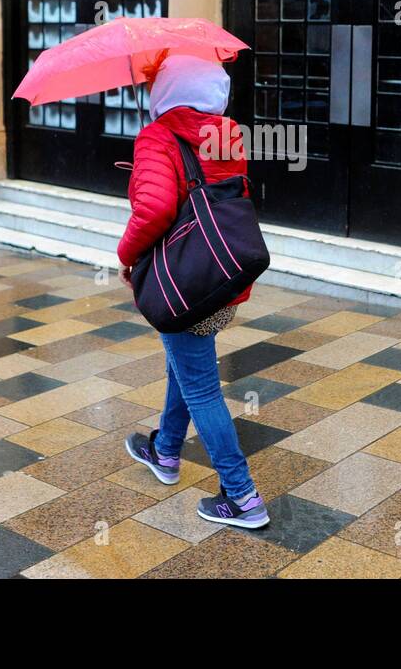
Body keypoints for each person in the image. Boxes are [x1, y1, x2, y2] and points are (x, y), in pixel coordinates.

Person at [117, 53, 268, 529]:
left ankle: (242, 496)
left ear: (169, 90)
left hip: (182, 282)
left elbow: (156, 209)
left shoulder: (158, 136)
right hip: (220, 278)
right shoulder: (227, 134)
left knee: (201, 385)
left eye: (157, 83)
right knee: (183, 362)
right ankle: (164, 451)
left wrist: (125, 256)